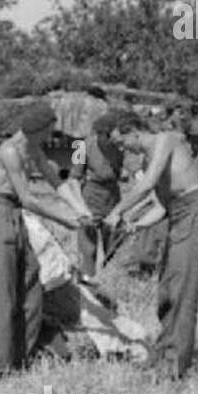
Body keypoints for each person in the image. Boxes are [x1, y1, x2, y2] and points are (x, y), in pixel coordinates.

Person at [0, 101, 94, 378]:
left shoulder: (33, 149)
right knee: (3, 292)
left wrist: (81, 211)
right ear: (37, 129)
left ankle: (19, 355)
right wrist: (66, 222)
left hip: (14, 216)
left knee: (32, 281)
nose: (52, 136)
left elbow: (58, 183)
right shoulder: (11, 151)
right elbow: (28, 198)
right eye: (49, 130)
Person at [104, 113, 198, 377]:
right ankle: (165, 350)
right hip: (178, 215)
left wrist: (118, 212)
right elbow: (160, 205)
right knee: (168, 288)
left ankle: (174, 364)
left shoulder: (165, 141)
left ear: (133, 130)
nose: (123, 150)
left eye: (122, 143)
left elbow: (146, 186)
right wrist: (136, 224)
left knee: (182, 289)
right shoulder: (146, 158)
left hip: (195, 212)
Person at [70, 110, 126, 278]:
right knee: (87, 246)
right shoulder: (80, 146)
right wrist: (79, 206)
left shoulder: (121, 147)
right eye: (104, 135)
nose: (109, 140)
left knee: (115, 242)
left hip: (113, 196)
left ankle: (111, 278)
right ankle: (88, 279)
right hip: (91, 195)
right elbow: (74, 178)